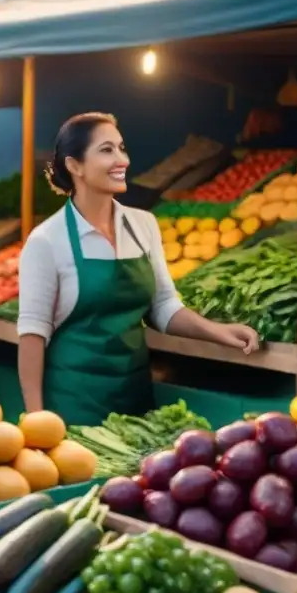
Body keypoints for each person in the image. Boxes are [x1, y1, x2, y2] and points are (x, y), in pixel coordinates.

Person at [17, 113, 259, 425]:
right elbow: (33, 336)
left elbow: (163, 306)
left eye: (122, 148)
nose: (122, 160)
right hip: (72, 407)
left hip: (135, 403)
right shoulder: (47, 241)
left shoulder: (142, 225)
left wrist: (218, 331)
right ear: (74, 166)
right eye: (107, 150)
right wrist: (37, 423)